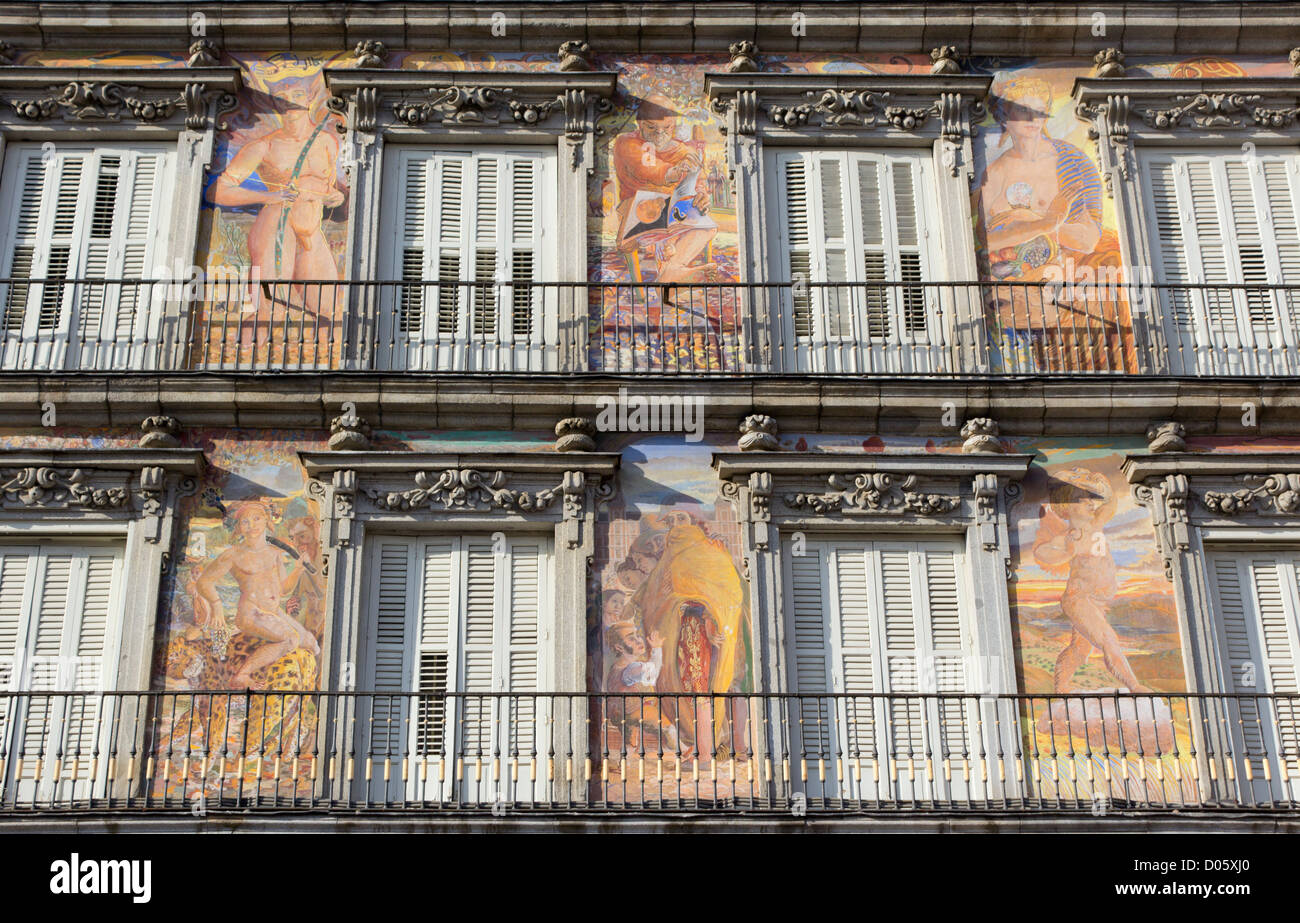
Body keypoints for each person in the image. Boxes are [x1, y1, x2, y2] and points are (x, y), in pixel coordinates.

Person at [206, 84, 344, 314]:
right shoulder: (263, 146)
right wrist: (269, 196)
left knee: (328, 309)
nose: (290, 102)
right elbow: (217, 190)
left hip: (312, 231)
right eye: (282, 97)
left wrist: (334, 195)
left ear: (310, 96)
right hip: (276, 228)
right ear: (274, 105)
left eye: (297, 93)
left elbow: (324, 185)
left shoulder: (329, 141)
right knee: (270, 314)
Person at [1033, 467, 1150, 694]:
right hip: (1079, 598)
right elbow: (1041, 553)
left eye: (1090, 498)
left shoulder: (1097, 523)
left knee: (1079, 649)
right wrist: (1068, 551)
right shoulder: (1068, 536)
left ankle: (1061, 688)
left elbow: (1110, 503)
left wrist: (1101, 481)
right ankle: (1134, 686)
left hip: (1097, 600)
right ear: (1068, 506)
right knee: (1108, 639)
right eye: (1082, 498)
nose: (1090, 503)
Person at [193, 502, 320, 689]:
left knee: (311, 643)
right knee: (289, 639)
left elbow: (283, 589)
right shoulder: (233, 554)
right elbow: (204, 581)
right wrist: (216, 605)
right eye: (245, 521)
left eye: (256, 518)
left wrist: (298, 570)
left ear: (267, 521)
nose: (252, 525)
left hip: (274, 612)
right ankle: (242, 674)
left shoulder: (274, 553)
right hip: (251, 613)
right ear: (238, 528)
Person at [610, 94, 717, 284]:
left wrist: (702, 195)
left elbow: (698, 181)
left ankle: (671, 272)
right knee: (670, 226)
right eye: (652, 127)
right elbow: (645, 168)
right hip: (637, 208)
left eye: (667, 128)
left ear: (674, 125)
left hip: (676, 211)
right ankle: (672, 271)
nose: (660, 133)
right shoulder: (626, 142)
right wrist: (672, 172)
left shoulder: (684, 150)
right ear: (640, 123)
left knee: (707, 227)